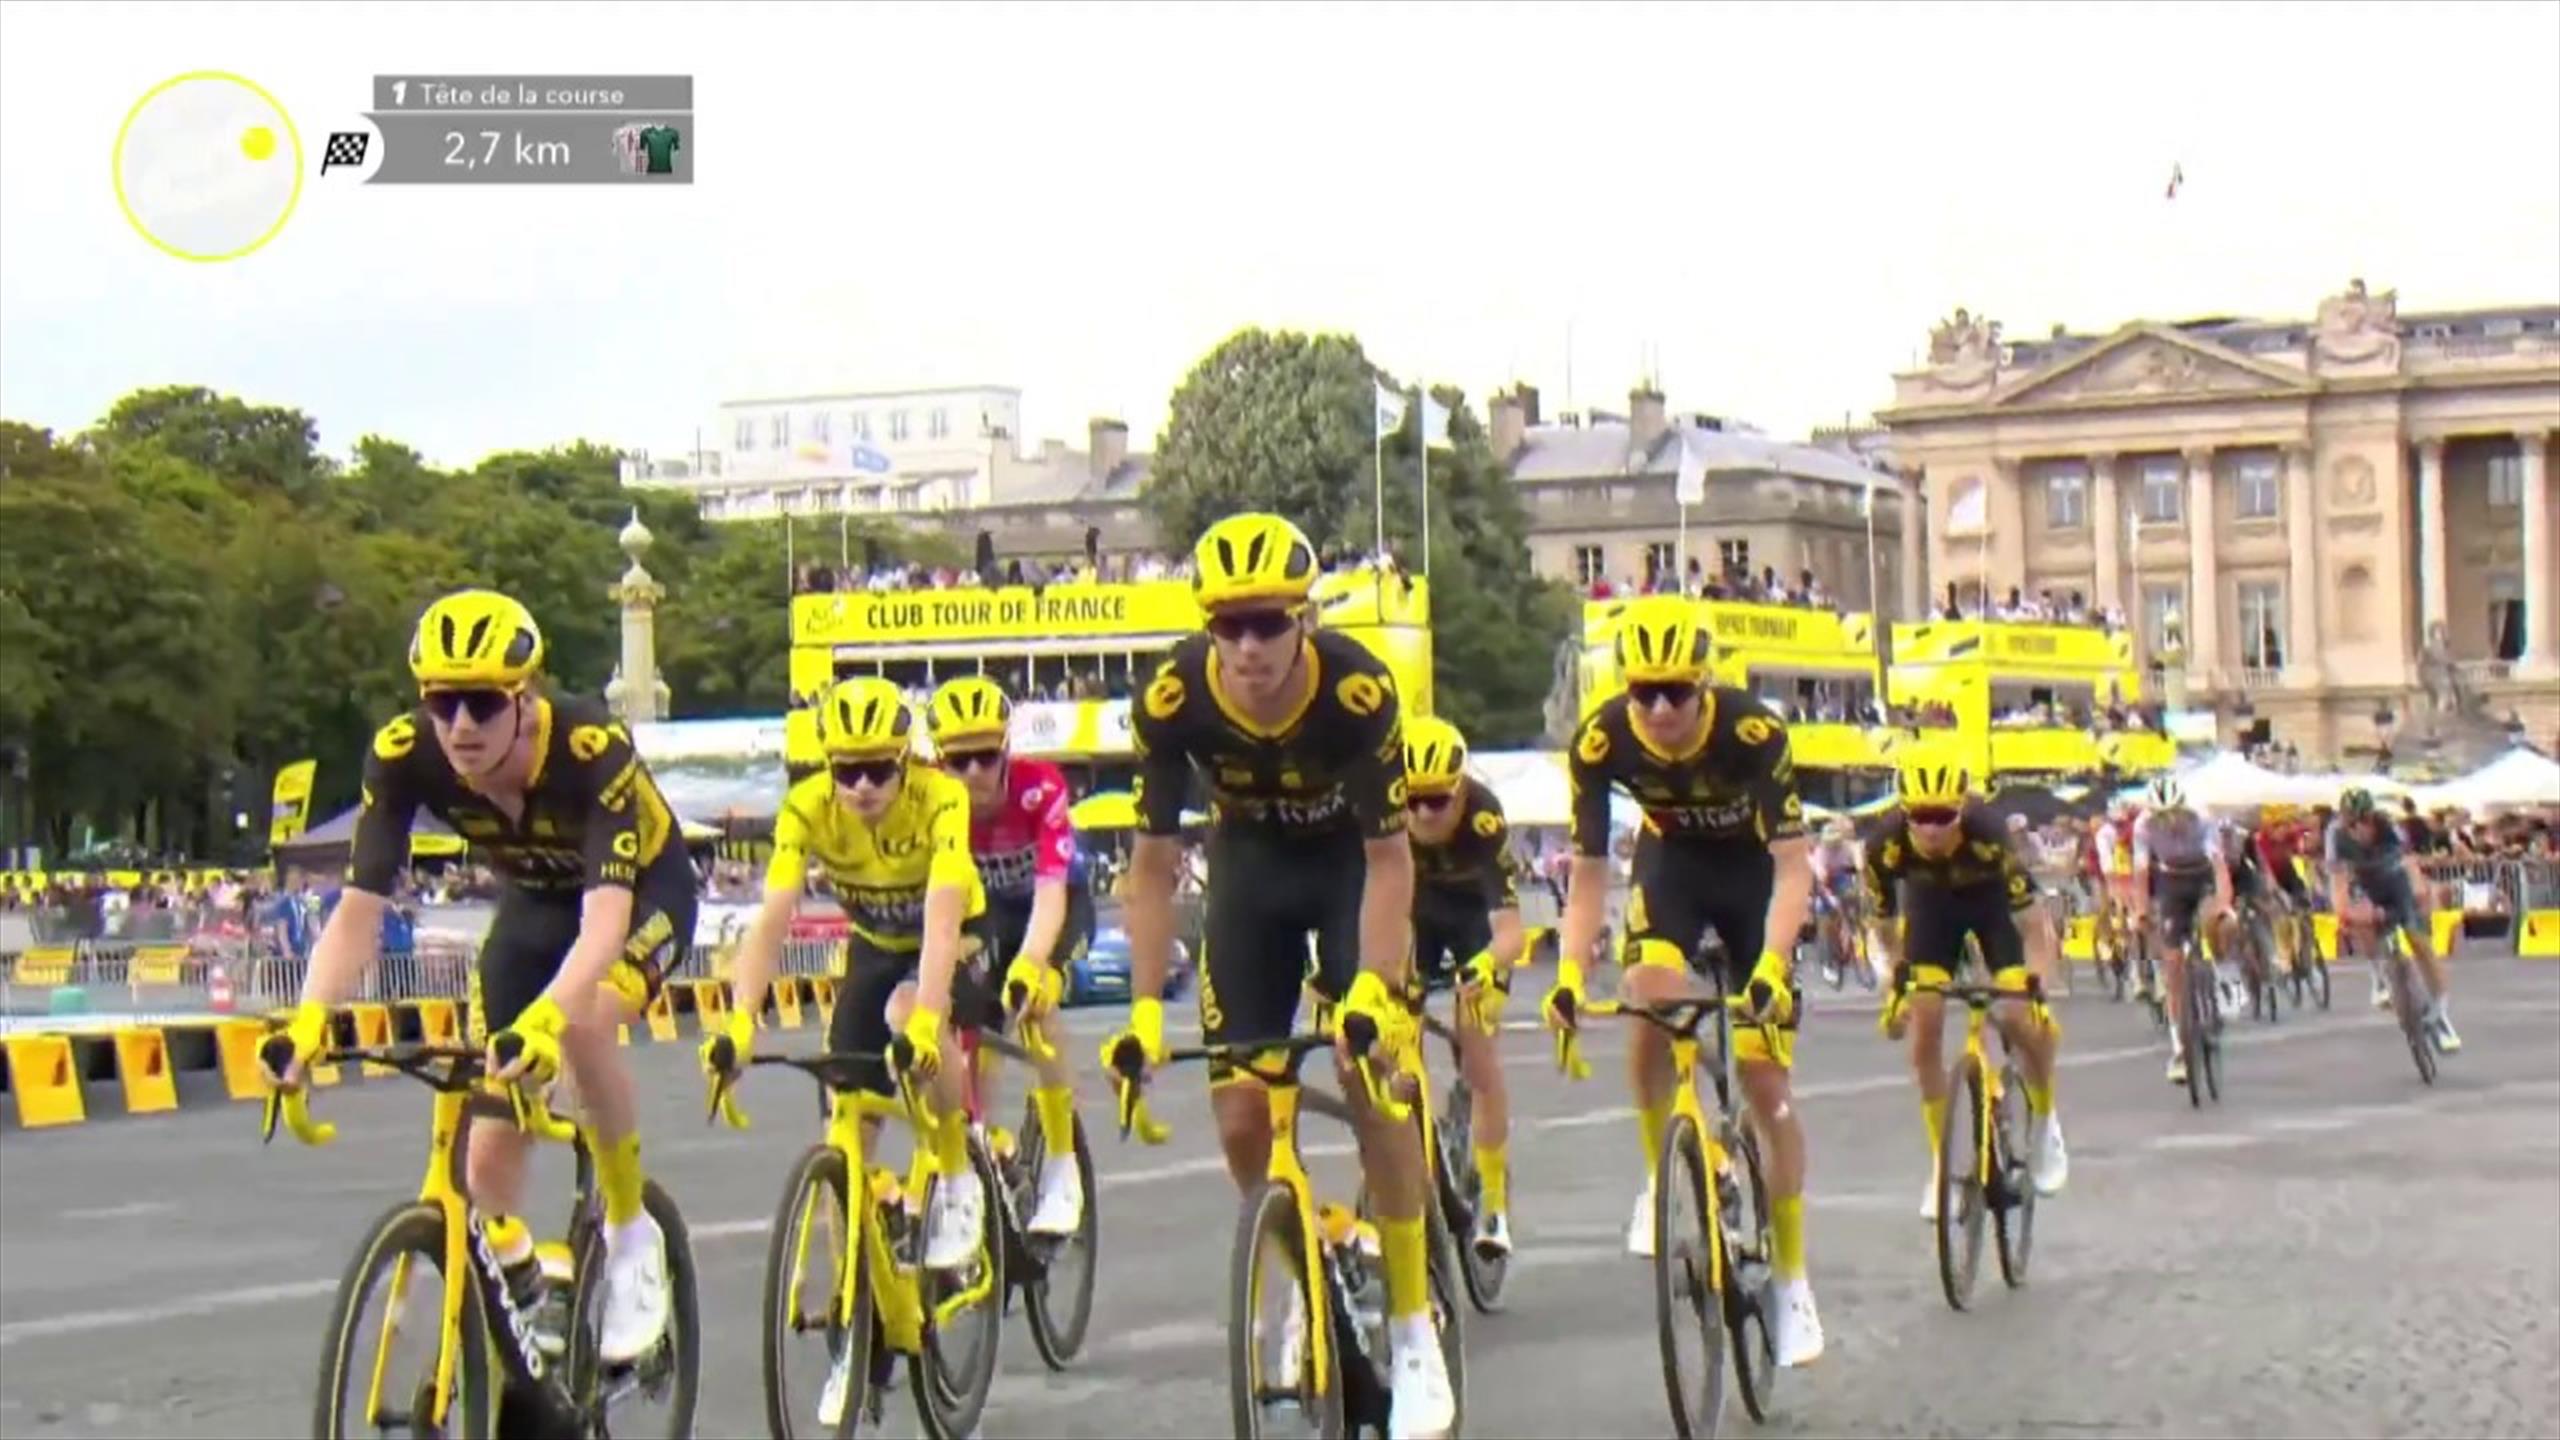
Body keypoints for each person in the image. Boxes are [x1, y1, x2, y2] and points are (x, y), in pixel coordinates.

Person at [263, 590, 689, 1365]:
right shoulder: (404, 755)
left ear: (524, 700)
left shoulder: (591, 749)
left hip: (639, 897)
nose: (460, 725)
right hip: (535, 902)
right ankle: (528, 1281)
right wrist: (308, 1021)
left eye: (483, 704)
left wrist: (547, 1021)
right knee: (488, 1138)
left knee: (584, 1020)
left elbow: (603, 928)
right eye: (442, 702)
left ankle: (632, 1234)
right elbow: (357, 912)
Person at [1108, 512, 1454, 1438]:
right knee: (1240, 1116)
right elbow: (1152, 865)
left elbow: (1391, 862)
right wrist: (1144, 1012)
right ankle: (1310, 1265)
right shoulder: (1173, 698)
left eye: (1268, 622)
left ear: (1306, 619)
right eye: (1228, 625)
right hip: (1250, 875)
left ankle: (1413, 1325)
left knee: (1370, 1077)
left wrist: (1372, 987)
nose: (1248, 645)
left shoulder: (1357, 691)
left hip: (1349, 871)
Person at [1543, 592, 1825, 1366]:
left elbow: (1794, 868)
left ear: (1705, 686)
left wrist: (1771, 967)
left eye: (1676, 692)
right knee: (1645, 1005)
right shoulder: (1601, 739)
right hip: (1674, 868)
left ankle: (1792, 1279)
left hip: (1755, 875)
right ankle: (1662, 1173)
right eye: (1645, 693)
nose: (1661, 709)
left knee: (1766, 1081)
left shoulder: (1753, 731)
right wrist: (1568, 974)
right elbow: (1589, 876)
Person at [926, 674, 1090, 1236]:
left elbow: (1051, 892)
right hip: (986, 913)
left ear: (1006, 751)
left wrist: (1032, 962)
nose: (973, 772)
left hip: (1052, 908)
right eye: (958, 760)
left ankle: (1063, 1166)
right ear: (939, 762)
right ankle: (977, 1135)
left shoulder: (1039, 787)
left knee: (1035, 1002)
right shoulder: (929, 802)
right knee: (966, 1013)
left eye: (986, 757)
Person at [1869, 757, 2067, 1216]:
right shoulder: (1884, 844)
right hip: (1931, 912)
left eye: (1943, 816)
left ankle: (2044, 1122)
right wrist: (1893, 985)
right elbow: (1882, 928)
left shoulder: (1990, 833)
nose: (1931, 829)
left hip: (1992, 907)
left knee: (2018, 1016)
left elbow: (2034, 926)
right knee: (1924, 1030)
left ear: (1962, 810)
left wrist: (2037, 983)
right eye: (1920, 816)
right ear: (1903, 813)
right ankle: (1942, 1166)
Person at [1400, 714, 1525, 1259]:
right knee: (1389, 1035)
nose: (1424, 814)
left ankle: (1494, 1202)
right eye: (1413, 801)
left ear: (1461, 790)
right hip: (1418, 916)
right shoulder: (1383, 814)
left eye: (1438, 801)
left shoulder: (1483, 819)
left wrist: (1484, 967)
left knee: (1475, 1046)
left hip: (1478, 923)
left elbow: (1512, 934)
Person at [2328, 787, 2459, 1052]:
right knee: (2360, 918)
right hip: (2366, 885)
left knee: (2419, 940)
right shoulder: (2336, 836)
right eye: (2350, 824)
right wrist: (2346, 911)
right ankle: (2378, 975)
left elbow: (2410, 864)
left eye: (2362, 822)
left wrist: (2420, 891)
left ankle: (2441, 1015)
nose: (2357, 829)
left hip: (2396, 881)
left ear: (2372, 818)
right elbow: (2338, 885)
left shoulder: (2389, 827)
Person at [2130, 776, 2233, 1085]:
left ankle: (2226, 976)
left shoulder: (2202, 818)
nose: (2170, 822)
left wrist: (2223, 904)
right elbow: (2141, 873)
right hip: (2171, 882)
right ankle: (2179, 1048)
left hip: (2202, 876)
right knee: (2172, 963)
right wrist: (2140, 910)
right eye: (2163, 816)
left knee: (2220, 923)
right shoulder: (2143, 826)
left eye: (2174, 814)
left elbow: (2219, 867)